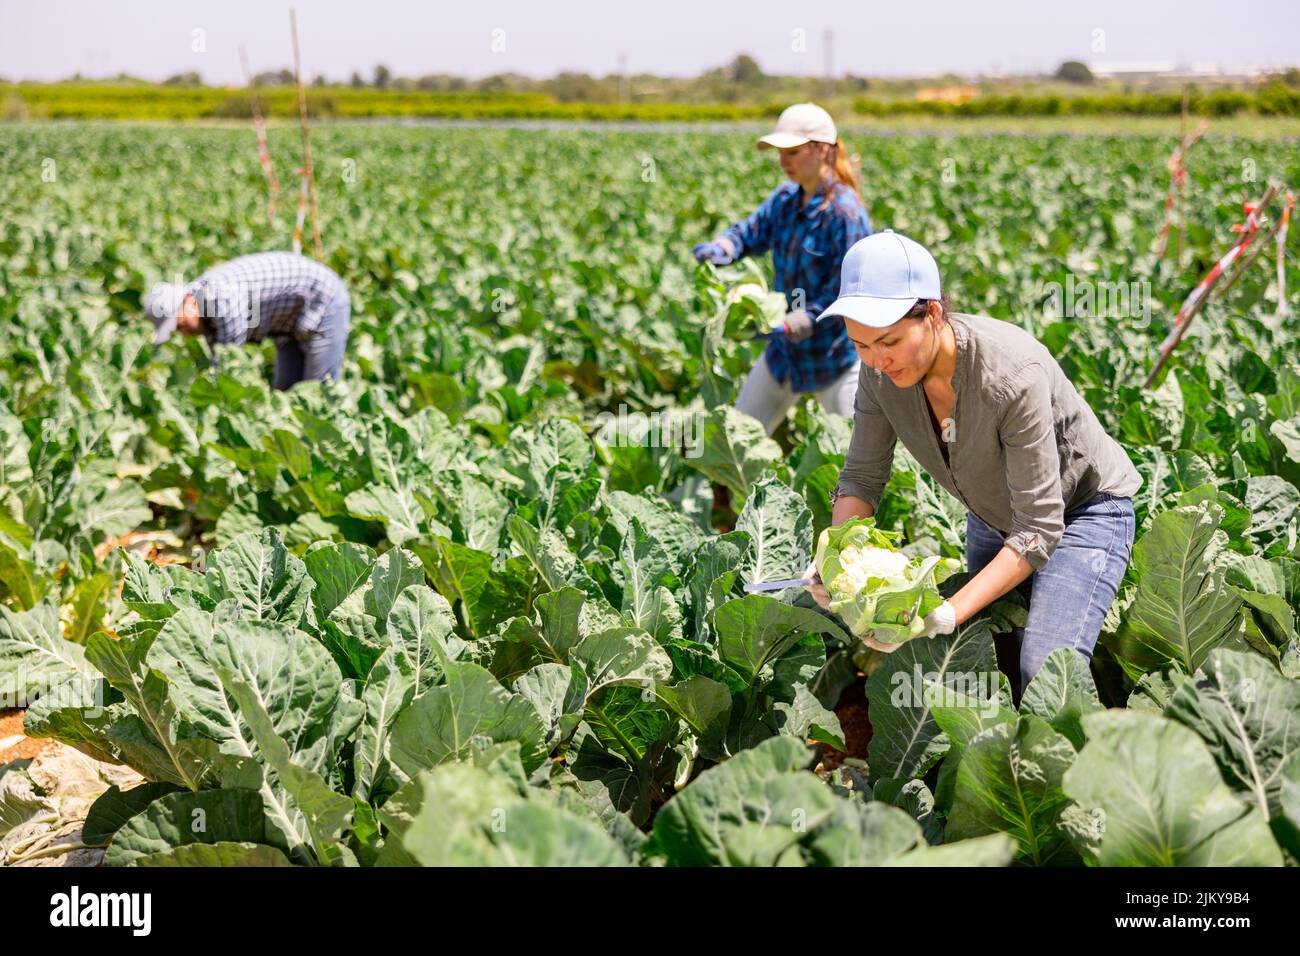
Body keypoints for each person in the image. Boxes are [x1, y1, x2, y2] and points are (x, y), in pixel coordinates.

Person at [810, 231, 1141, 700]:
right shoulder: (880, 374)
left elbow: (1037, 529)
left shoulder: (1011, 374)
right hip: (992, 508)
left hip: (1083, 511)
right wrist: (838, 560)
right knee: (987, 659)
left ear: (934, 315)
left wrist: (946, 612)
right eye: (861, 346)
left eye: (890, 341)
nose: (878, 361)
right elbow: (862, 477)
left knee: (1044, 672)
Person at [693, 102, 871, 435]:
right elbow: (751, 232)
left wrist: (800, 320)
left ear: (821, 150)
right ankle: (726, 490)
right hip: (784, 355)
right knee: (738, 439)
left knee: (854, 457)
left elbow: (849, 290)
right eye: (780, 152)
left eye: (792, 151)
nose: (783, 160)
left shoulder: (846, 214)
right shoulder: (786, 199)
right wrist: (723, 248)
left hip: (832, 357)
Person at [145, 251, 350, 391]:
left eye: (180, 324)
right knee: (287, 390)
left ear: (188, 302)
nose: (183, 333)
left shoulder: (222, 299)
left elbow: (227, 363)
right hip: (288, 322)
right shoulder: (203, 305)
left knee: (318, 391)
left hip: (323, 301)